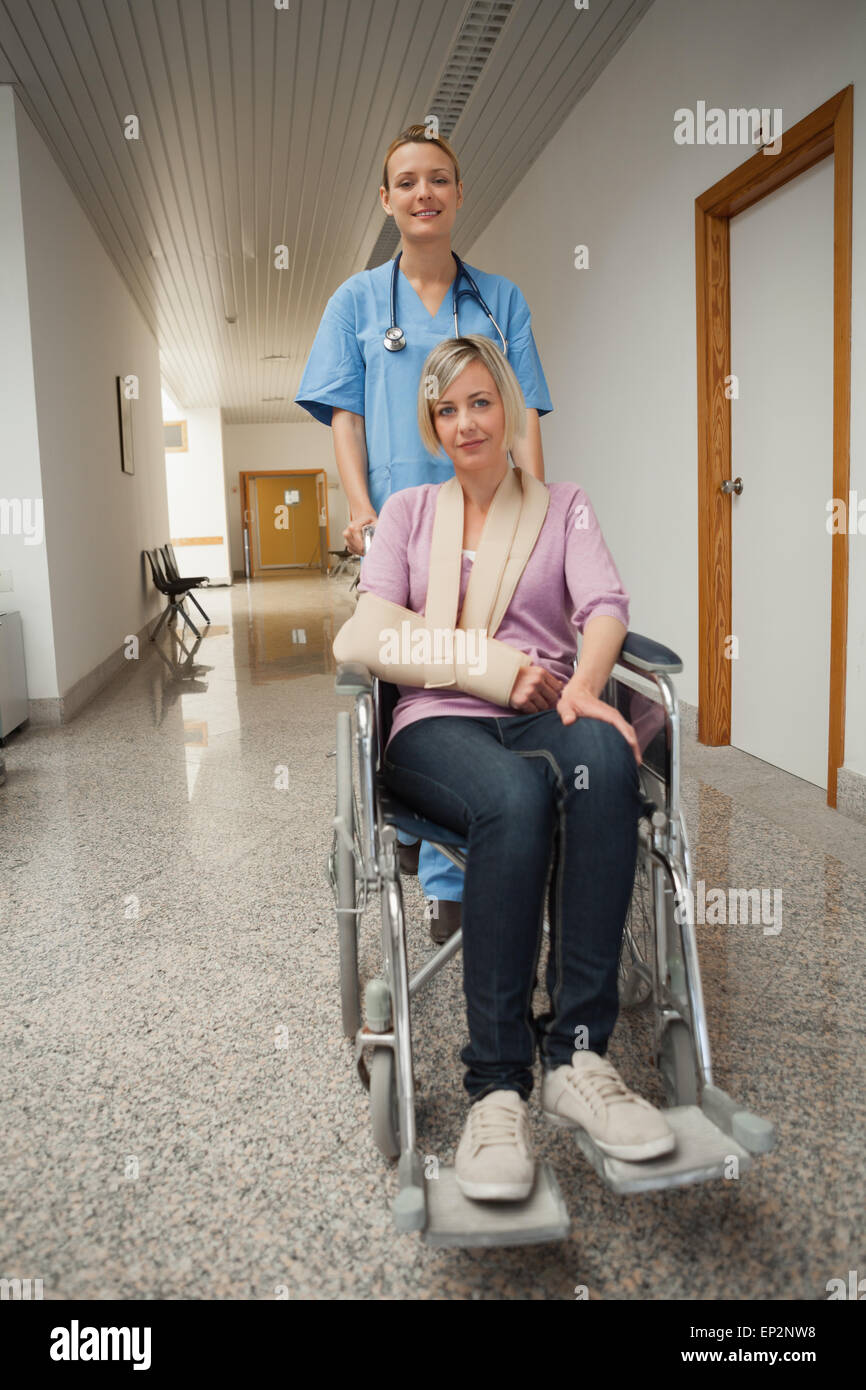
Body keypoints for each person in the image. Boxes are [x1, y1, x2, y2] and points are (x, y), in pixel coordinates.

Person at [332, 336, 675, 1201]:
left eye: (480, 402)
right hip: (436, 724)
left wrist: (587, 691)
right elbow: (364, 638)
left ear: (508, 407)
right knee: (517, 798)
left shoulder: (565, 507)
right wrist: (494, 670)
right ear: (433, 424)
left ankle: (579, 1059)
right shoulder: (409, 512)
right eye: (446, 410)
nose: (465, 423)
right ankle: (496, 1086)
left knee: (602, 752)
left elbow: (603, 607)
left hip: (543, 711)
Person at [296, 125, 552, 946]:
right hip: (403, 531)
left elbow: (522, 418)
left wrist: (535, 508)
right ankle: (421, 824)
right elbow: (346, 416)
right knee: (417, 674)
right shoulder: (357, 302)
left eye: (438, 179)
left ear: (459, 193)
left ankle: (453, 878)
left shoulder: (500, 300)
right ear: (387, 200)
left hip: (490, 525)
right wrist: (363, 506)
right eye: (406, 182)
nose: (423, 194)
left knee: (467, 679)